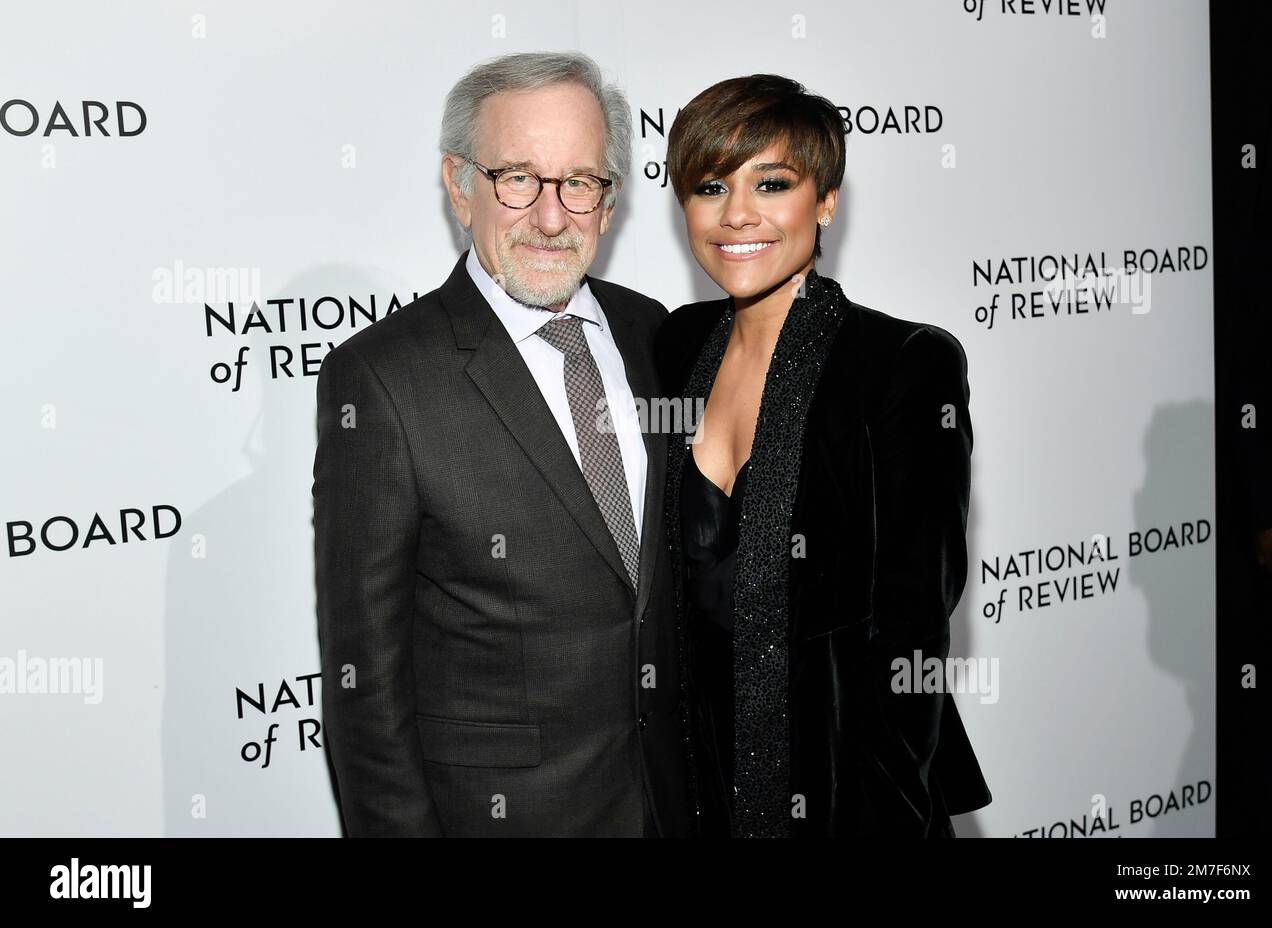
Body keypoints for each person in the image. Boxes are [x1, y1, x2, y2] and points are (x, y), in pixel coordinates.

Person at [314, 51, 688, 837]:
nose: (552, 218)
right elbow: (366, 691)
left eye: (579, 182)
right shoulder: (383, 380)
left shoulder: (657, 333)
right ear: (459, 186)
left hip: (675, 803)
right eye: (517, 178)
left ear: (610, 201)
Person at [655, 73, 993, 837]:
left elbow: (914, 630)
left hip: (849, 785)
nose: (737, 214)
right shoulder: (676, 346)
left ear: (827, 201)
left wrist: (887, 810)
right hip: (697, 778)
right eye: (711, 186)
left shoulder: (903, 364)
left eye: (771, 183)